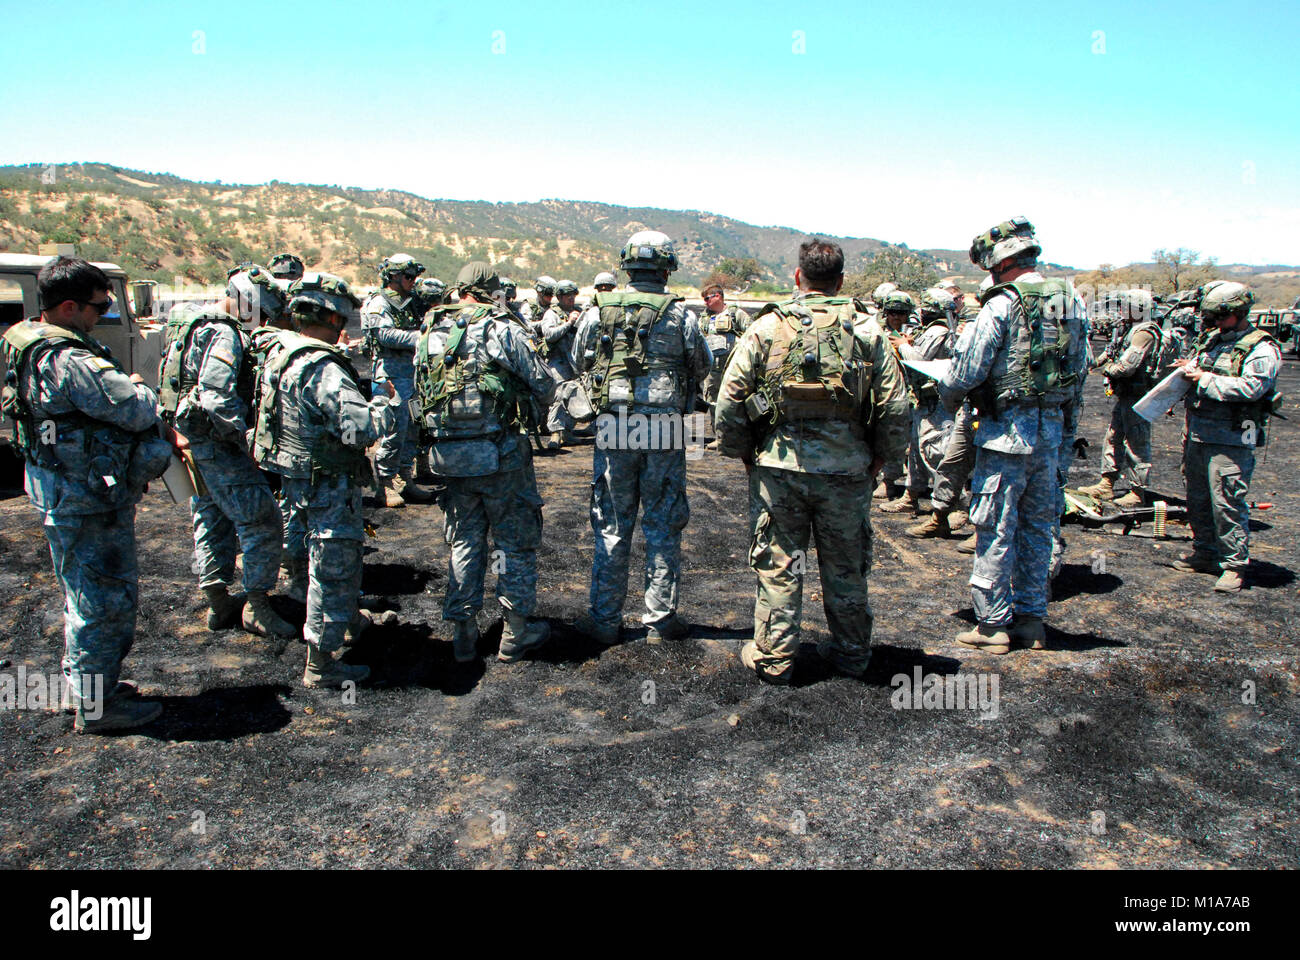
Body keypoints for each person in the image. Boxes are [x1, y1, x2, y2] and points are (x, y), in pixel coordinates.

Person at [714, 239, 908, 683]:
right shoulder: (869, 331)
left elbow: (728, 400)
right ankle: (853, 654)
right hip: (847, 471)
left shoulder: (767, 328)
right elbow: (897, 407)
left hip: (779, 470)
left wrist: (743, 451)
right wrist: (881, 459)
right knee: (846, 565)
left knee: (779, 564)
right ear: (840, 281)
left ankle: (776, 659)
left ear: (798, 278)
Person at [0, 257, 177, 732]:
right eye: (99, 308)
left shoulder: (26, 341)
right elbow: (138, 410)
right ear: (70, 306)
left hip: (54, 487)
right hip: (86, 497)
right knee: (105, 601)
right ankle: (98, 708)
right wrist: (140, 387)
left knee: (79, 594)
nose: (103, 316)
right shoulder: (72, 359)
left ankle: (85, 689)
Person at [936, 218, 1086, 654]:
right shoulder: (1073, 302)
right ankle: (1032, 622)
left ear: (1000, 265)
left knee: (995, 525)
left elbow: (966, 371)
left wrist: (947, 398)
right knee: (1040, 527)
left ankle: (991, 625)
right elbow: (1081, 372)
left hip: (1006, 435)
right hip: (1051, 435)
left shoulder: (1001, 305)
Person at [251, 273, 396, 687]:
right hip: (328, 482)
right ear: (333, 318)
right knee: (334, 565)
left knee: (313, 557)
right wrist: (384, 403)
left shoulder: (281, 350)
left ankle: (349, 621)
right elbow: (359, 429)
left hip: (295, 478)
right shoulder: (324, 366)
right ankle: (322, 662)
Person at [413, 262, 558, 662]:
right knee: (514, 541)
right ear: (490, 291)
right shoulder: (500, 326)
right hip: (501, 457)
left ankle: (463, 631)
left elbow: (420, 389)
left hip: (449, 457)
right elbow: (543, 382)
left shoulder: (429, 331)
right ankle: (516, 633)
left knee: (464, 540)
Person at [572, 230, 711, 645]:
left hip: (615, 427)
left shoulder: (597, 310)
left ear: (626, 266)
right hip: (665, 429)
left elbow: (580, 358)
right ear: (667, 268)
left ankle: (603, 620)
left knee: (612, 525)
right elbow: (701, 364)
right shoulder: (681, 315)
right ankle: (660, 619)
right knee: (663, 523)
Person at [157, 265, 297, 638]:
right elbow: (216, 397)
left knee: (211, 517)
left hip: (189, 444)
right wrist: (249, 439)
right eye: (262, 315)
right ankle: (258, 606)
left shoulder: (187, 320)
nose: (261, 323)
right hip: (218, 445)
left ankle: (219, 604)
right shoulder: (224, 332)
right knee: (261, 520)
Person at [1173, 281, 1281, 593]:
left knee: (1227, 501)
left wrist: (1205, 379)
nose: (1215, 324)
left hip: (1231, 439)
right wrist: (1188, 368)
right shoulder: (1214, 340)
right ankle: (1205, 553)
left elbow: (1253, 387)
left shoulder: (1262, 348)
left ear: (1237, 313)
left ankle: (1234, 564)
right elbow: (1204, 365)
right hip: (1198, 433)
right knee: (1198, 498)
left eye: (1220, 318)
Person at [361, 253, 437, 507]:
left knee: (414, 425)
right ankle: (385, 482)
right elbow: (383, 334)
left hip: (413, 376)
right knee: (393, 428)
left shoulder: (411, 302)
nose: (413, 281)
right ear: (393, 276)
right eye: (408, 276)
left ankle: (405, 478)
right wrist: (420, 338)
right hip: (390, 377)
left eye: (414, 276)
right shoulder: (378, 303)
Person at [1076, 288, 1163, 507]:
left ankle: (1137, 492)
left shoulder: (1144, 332)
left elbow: (1127, 366)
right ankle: (1107, 484)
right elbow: (1111, 351)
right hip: (1126, 396)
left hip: (1139, 398)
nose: (1122, 309)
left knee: (1136, 444)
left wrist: (1108, 370)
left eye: (1127, 306)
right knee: (1113, 438)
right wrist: (1093, 363)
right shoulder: (1127, 329)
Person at [881, 287, 957, 517]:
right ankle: (910, 497)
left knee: (935, 453)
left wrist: (902, 344)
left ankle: (953, 507)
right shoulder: (930, 330)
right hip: (921, 400)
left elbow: (918, 360)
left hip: (935, 401)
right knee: (915, 451)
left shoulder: (937, 331)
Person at [863, 289, 914, 501]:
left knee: (895, 437)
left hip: (905, 392)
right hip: (877, 390)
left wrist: (907, 345)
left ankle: (889, 480)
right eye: (892, 312)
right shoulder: (875, 331)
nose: (896, 317)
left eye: (901, 313)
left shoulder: (915, 334)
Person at [538, 279, 583, 448]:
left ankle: (567, 431)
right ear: (559, 296)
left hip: (574, 361)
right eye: (567, 295)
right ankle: (555, 433)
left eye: (573, 295)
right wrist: (569, 323)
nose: (571, 299)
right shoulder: (552, 314)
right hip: (558, 361)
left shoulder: (578, 312)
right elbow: (549, 334)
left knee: (573, 396)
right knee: (558, 396)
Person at [698, 282, 751, 420]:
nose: (705, 303)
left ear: (718, 296)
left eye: (707, 298)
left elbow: (751, 335)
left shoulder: (735, 314)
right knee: (712, 399)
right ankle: (717, 433)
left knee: (734, 399)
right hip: (712, 370)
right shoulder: (704, 318)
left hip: (733, 367)